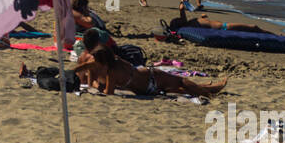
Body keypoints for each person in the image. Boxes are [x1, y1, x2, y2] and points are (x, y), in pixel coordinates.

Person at [75, 47, 228, 97]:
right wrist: (85, 72)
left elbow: (108, 92)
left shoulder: (111, 72)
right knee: (180, 83)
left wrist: (93, 81)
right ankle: (209, 90)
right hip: (150, 77)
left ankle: (209, 89)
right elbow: (90, 65)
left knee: (181, 86)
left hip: (148, 87)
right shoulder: (115, 63)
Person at [173, 7, 272, 33]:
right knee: (254, 27)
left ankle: (275, 35)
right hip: (225, 28)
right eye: (178, 20)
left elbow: (207, 24)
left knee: (253, 28)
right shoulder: (188, 25)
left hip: (224, 26)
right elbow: (182, 13)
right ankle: (278, 36)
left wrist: (203, 17)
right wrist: (182, 5)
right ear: (180, 24)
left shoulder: (191, 23)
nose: (180, 18)